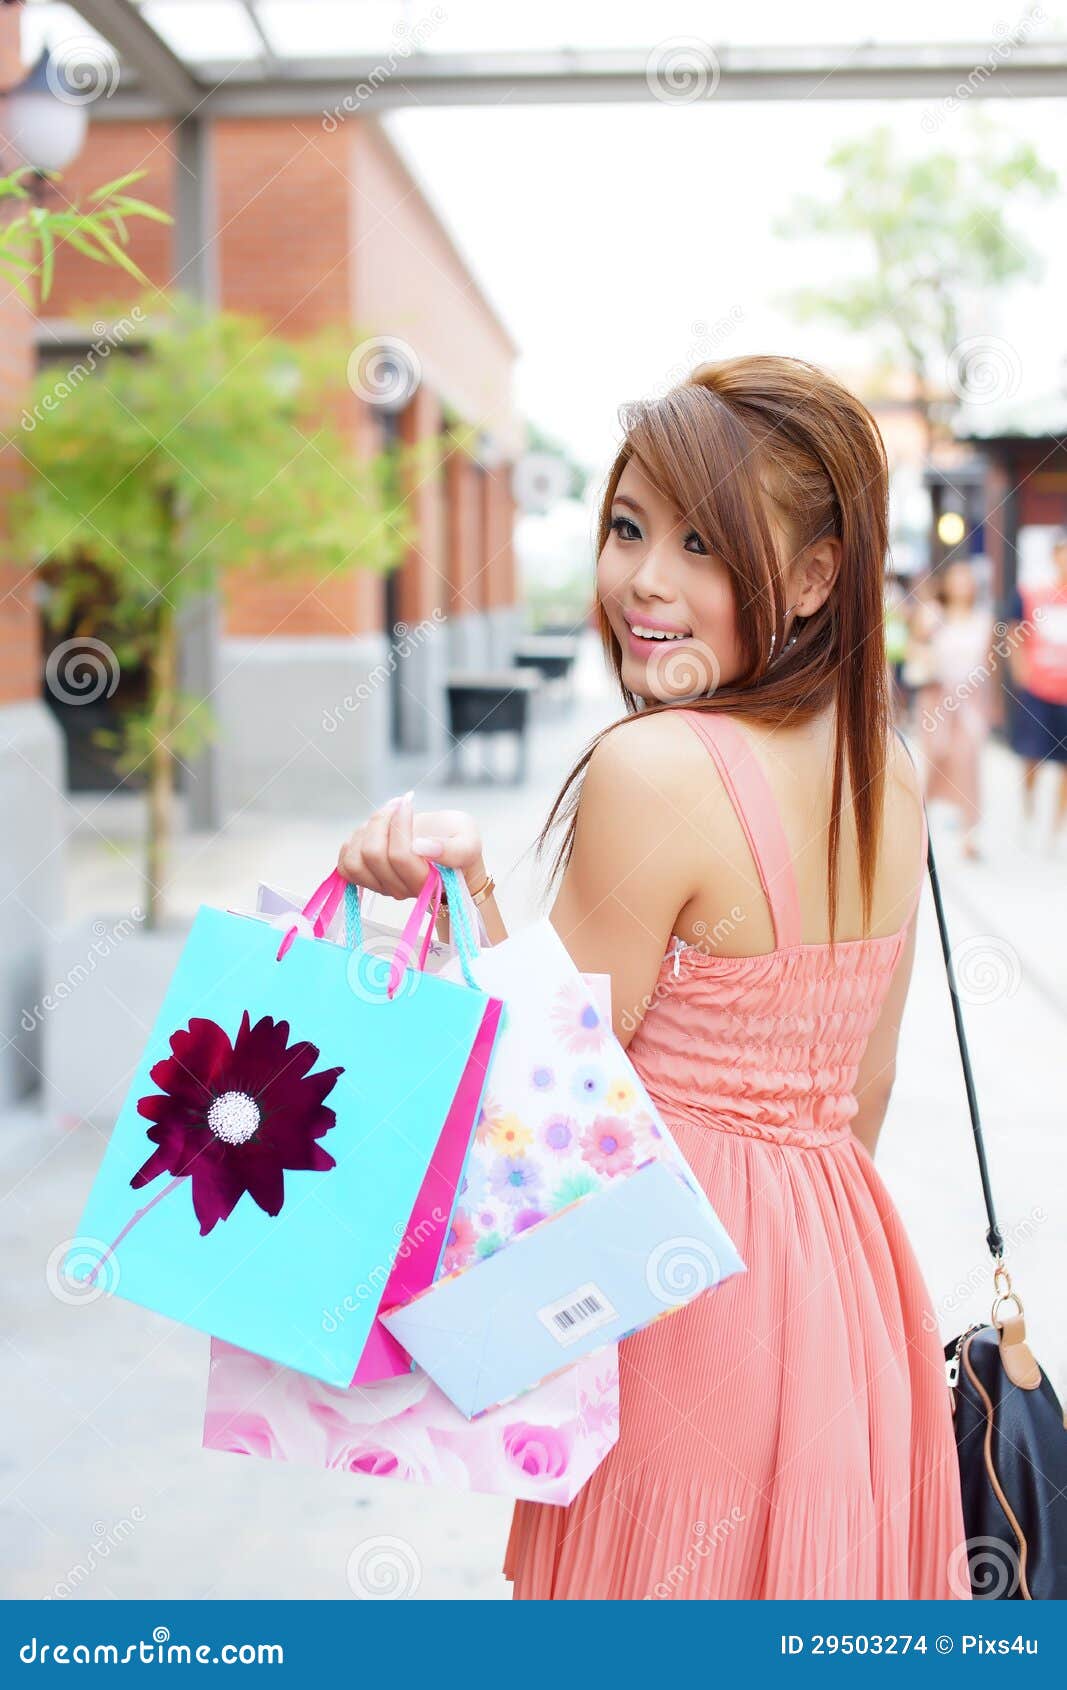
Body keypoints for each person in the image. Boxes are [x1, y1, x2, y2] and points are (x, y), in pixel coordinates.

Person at [337, 355, 969, 1601]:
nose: (644, 579)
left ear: (808, 576)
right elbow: (869, 1082)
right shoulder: (882, 769)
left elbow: (538, 1092)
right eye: (627, 528)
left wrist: (448, 897)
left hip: (672, 1296)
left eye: (698, 540)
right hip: (847, 1291)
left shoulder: (656, 766)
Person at [915, 561, 995, 861]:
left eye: (967, 579)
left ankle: (969, 834)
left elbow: (988, 666)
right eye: (957, 579)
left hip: (970, 704)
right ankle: (920, 829)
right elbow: (916, 648)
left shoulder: (984, 619)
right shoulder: (933, 613)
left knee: (968, 764)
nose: (963, 585)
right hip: (936, 701)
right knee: (934, 761)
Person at [1005, 530, 1067, 852]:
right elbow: (1013, 631)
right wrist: (1021, 672)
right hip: (1038, 689)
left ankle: (1057, 829)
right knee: (1031, 755)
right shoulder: (1032, 594)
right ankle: (1028, 810)